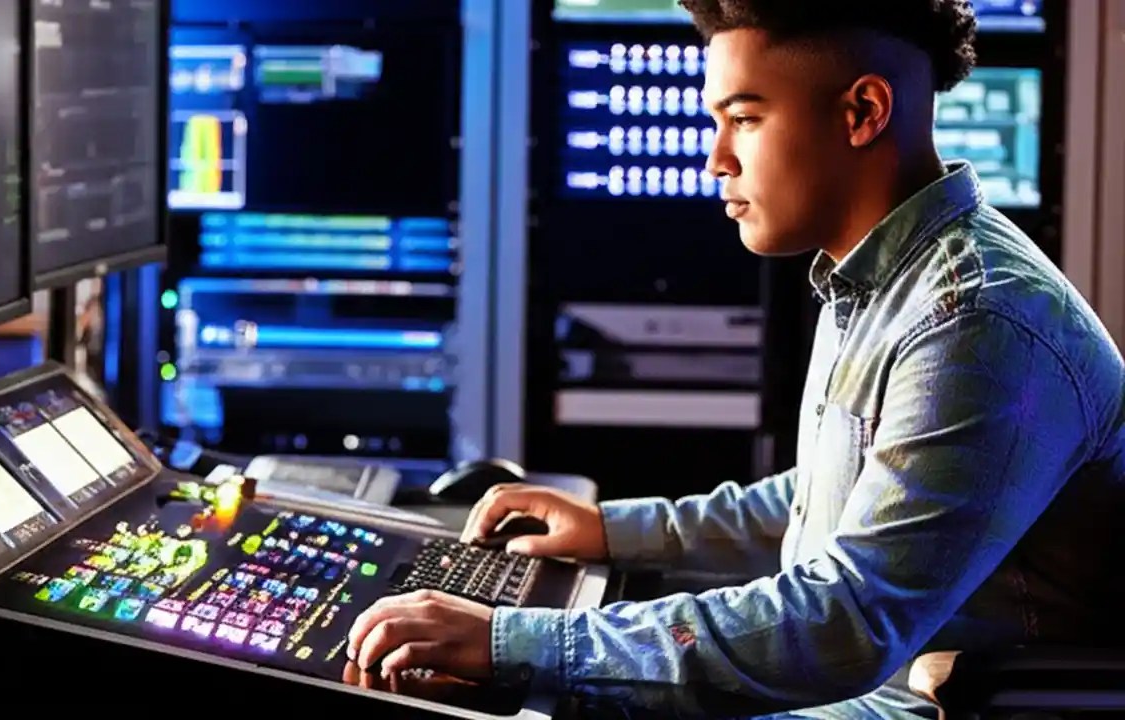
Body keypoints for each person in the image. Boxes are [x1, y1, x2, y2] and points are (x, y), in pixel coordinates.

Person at [346, 0, 1125, 717]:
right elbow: (840, 494)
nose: (716, 159)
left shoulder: (973, 321)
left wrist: (512, 643)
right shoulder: (889, 276)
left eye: (744, 119)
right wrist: (616, 531)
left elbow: (842, 625)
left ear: (862, 112)